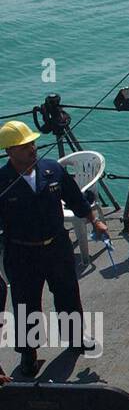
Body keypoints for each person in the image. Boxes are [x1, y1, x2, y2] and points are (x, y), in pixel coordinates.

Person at [0, 120, 108, 377]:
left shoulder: (52, 170)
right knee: (26, 304)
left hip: (57, 246)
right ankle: (29, 354)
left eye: (32, 144)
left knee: (68, 293)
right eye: (24, 146)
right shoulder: (2, 182)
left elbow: (76, 200)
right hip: (21, 252)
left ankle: (75, 338)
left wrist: (96, 220)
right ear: (9, 152)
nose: (32, 149)